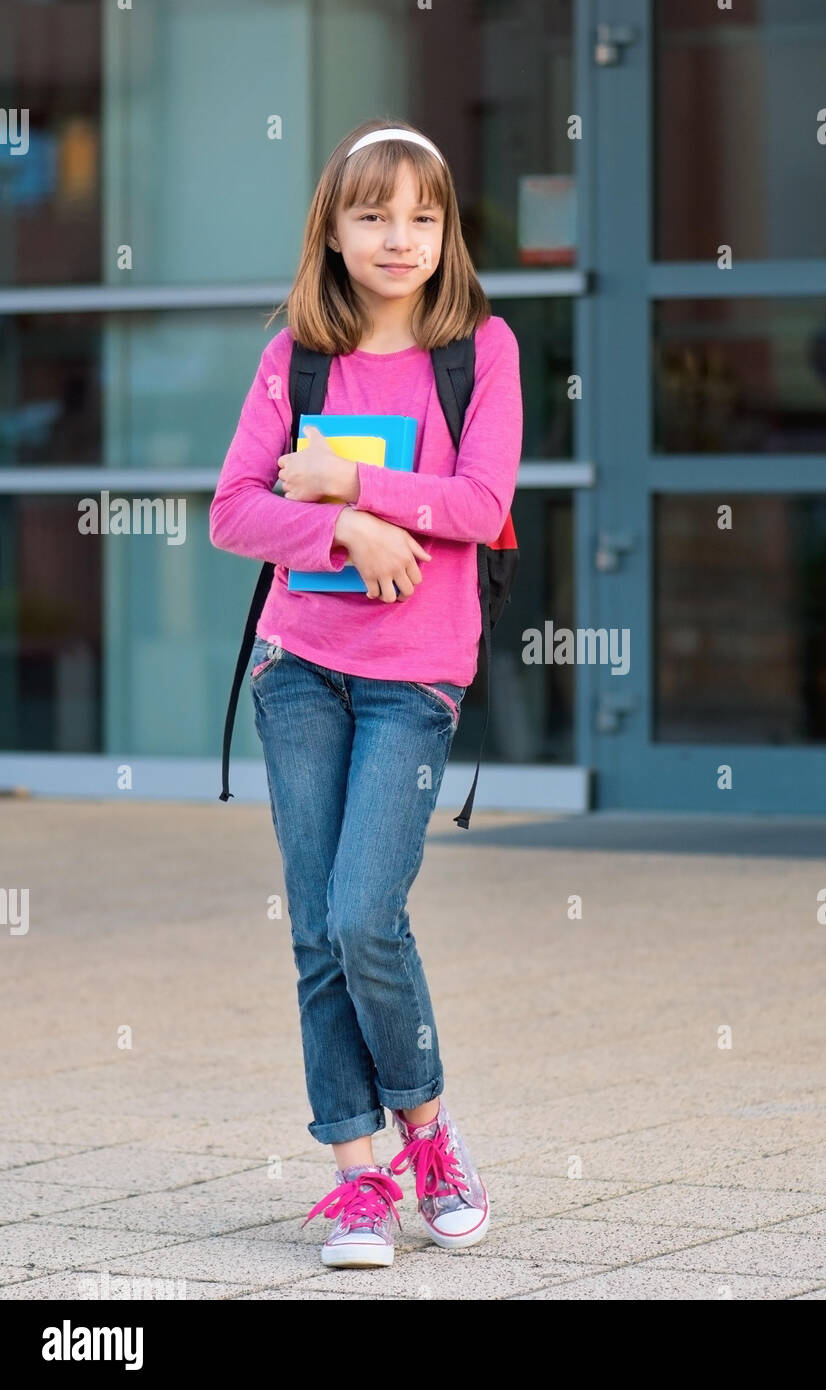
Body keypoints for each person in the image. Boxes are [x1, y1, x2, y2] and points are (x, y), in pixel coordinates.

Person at [209, 118, 522, 1267]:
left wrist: (351, 476)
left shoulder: (482, 349)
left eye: (423, 216)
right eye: (374, 215)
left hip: (414, 679)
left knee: (361, 914)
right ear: (332, 233)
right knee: (313, 926)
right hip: (298, 668)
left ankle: (428, 1132)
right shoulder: (295, 354)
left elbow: (484, 503)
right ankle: (356, 1175)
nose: (401, 238)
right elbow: (234, 508)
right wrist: (341, 522)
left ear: (447, 234)